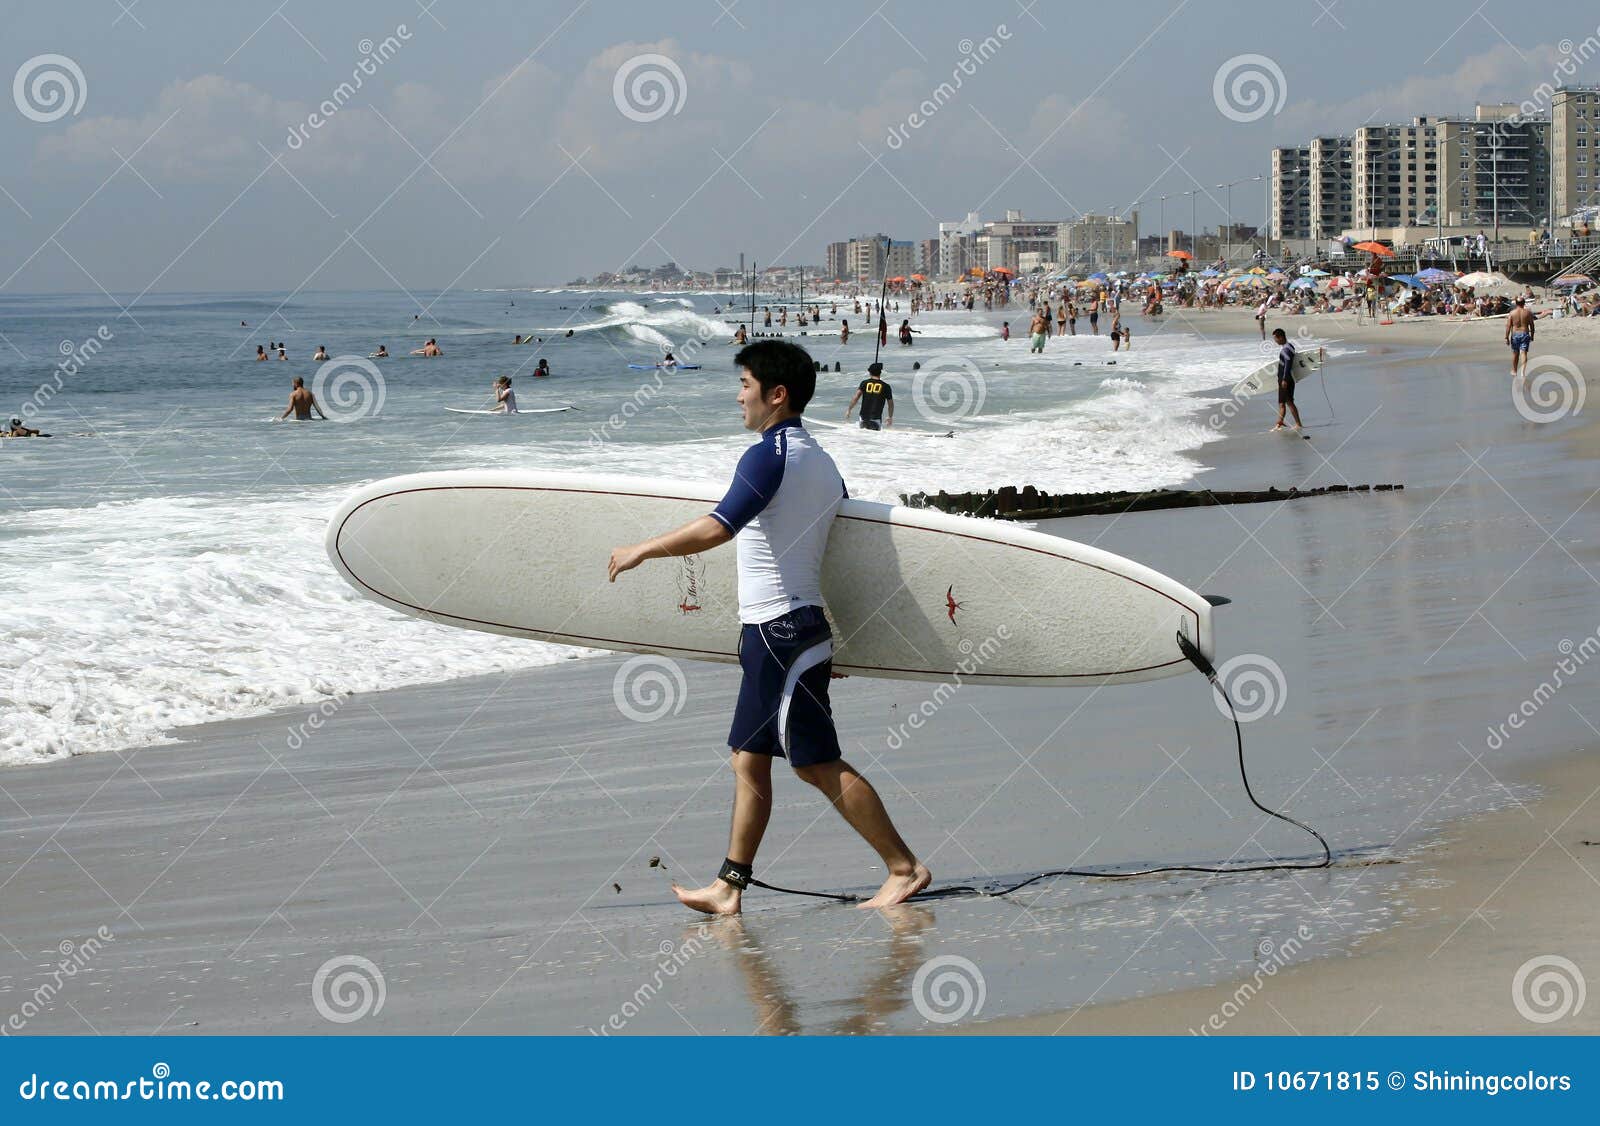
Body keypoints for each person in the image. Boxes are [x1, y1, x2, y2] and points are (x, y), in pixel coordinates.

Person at [607, 340, 929, 915]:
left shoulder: (768, 454)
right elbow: (844, 552)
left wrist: (643, 549)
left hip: (782, 630)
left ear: (776, 395)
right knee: (749, 758)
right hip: (785, 632)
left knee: (813, 762)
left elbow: (718, 527)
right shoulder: (824, 462)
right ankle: (730, 886)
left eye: (746, 387)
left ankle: (903, 868)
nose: (739, 397)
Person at [1269, 328, 1303, 432]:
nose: (1275, 341)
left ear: (1281, 337)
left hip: (1286, 379)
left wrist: (1284, 379)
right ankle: (1280, 423)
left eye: (1275, 339)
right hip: (1282, 379)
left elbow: (1288, 365)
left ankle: (1298, 424)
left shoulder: (1286, 349)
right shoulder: (1288, 347)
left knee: (1289, 402)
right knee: (1281, 403)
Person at [846, 361, 893, 431]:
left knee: (864, 438)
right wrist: (890, 417)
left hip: (863, 418)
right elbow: (890, 404)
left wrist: (849, 409)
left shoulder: (864, 383)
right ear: (880, 373)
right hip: (876, 419)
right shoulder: (886, 386)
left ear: (870, 372)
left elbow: (856, 397)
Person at [1506, 296, 1536, 382]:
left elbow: (1508, 326)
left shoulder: (1512, 313)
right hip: (1525, 333)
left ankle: (1514, 370)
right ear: (1524, 303)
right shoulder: (1528, 313)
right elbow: (1532, 325)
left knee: (1515, 353)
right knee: (1523, 353)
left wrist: (1506, 337)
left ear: (1516, 303)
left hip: (1515, 334)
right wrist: (1532, 335)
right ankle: (1522, 372)